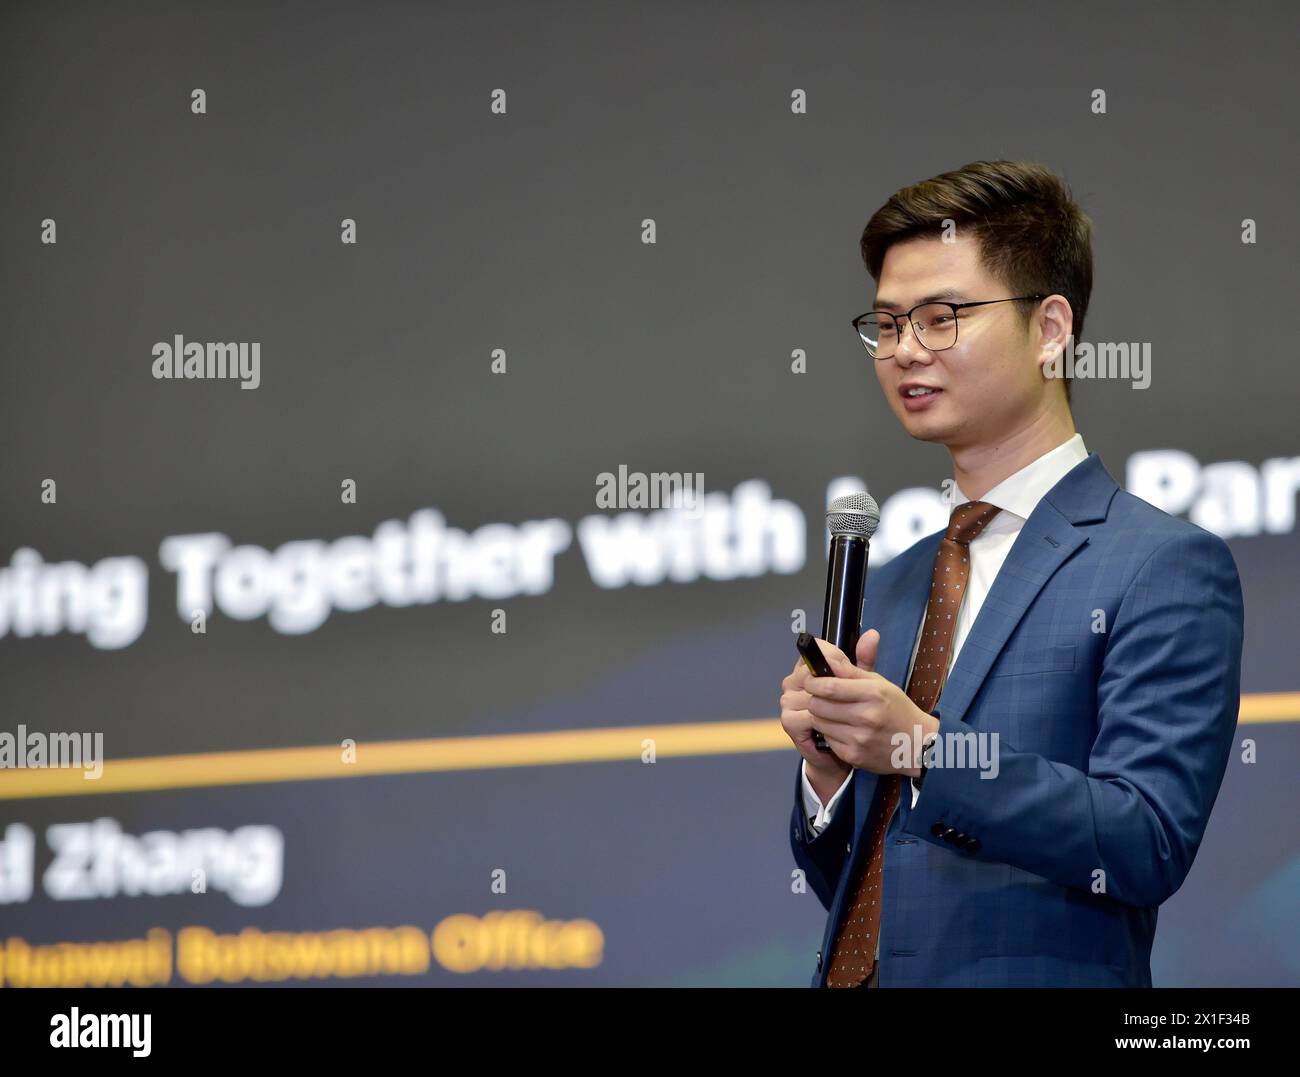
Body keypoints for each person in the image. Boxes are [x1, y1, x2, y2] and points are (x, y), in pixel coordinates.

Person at [781, 160, 1244, 988]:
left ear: (1051, 327)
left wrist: (922, 745)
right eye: (886, 325)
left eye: (941, 317)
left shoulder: (1160, 564)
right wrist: (831, 770)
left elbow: (1145, 840)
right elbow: (868, 902)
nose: (904, 351)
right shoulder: (893, 583)